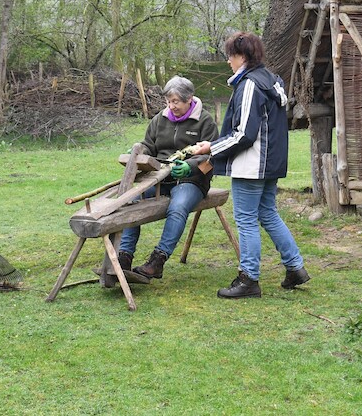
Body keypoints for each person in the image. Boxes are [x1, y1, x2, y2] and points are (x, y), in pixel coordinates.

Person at [193, 32, 308, 299]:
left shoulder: (250, 85)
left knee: (245, 219)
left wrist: (211, 147)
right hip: (270, 163)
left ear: (242, 56)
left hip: (252, 165)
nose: (228, 62)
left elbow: (244, 133)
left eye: (230, 57)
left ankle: (248, 279)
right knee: (267, 213)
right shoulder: (272, 80)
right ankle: (295, 267)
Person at [101, 76, 218, 287]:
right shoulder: (159, 120)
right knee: (130, 201)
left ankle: (157, 261)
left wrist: (190, 168)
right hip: (159, 178)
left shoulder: (206, 122)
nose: (171, 106)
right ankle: (124, 257)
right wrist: (139, 153)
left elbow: (212, 160)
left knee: (178, 207)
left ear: (189, 99)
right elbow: (148, 145)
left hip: (191, 181)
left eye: (176, 102)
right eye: (168, 102)